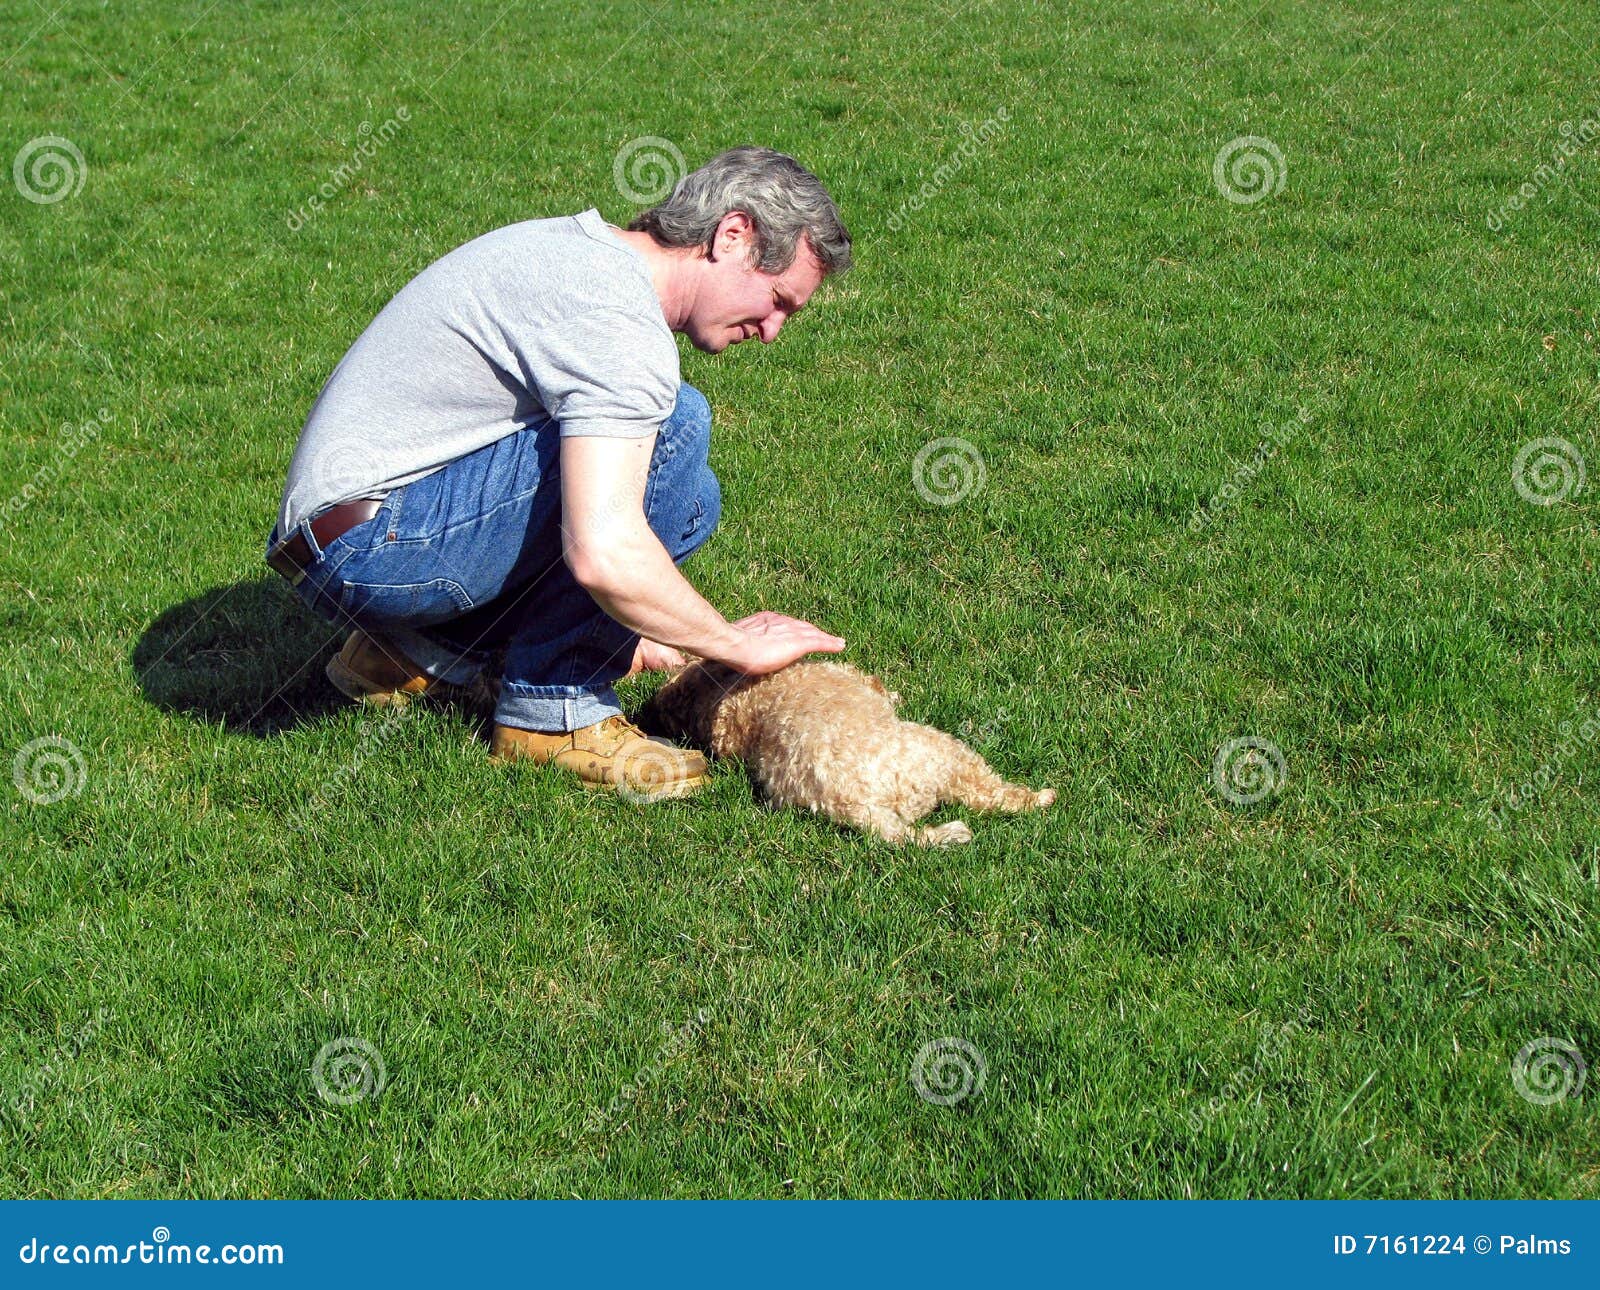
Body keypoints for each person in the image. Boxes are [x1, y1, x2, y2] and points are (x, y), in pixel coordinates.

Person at [264, 146, 853, 797]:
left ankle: (406, 654)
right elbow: (603, 551)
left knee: (691, 500)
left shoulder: (581, 256)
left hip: (343, 537)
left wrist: (643, 627)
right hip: (373, 548)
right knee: (675, 427)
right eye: (778, 301)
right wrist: (730, 646)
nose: (772, 331)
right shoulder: (618, 321)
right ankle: (554, 711)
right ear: (733, 235)